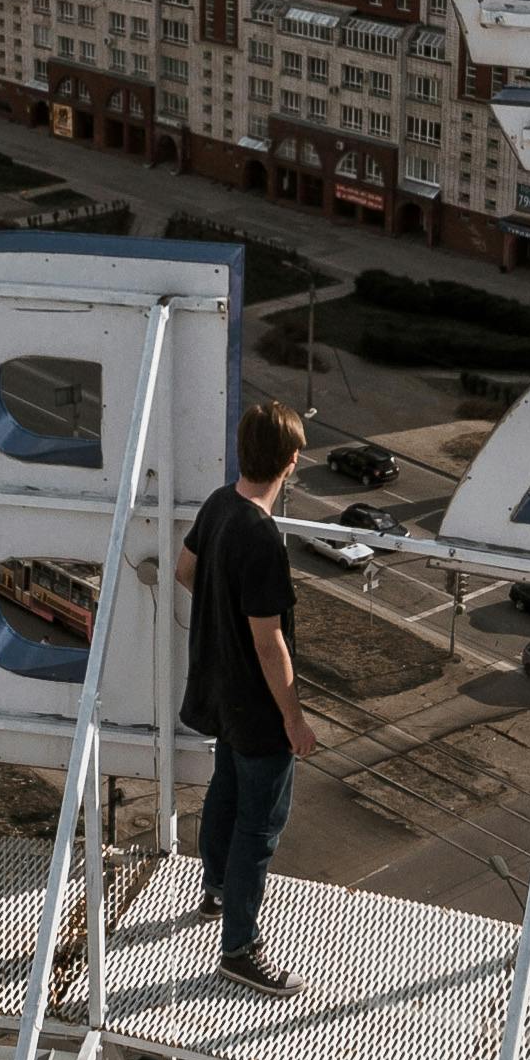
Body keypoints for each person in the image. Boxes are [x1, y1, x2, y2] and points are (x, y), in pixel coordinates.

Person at [179, 398, 315, 996]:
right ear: (288, 462)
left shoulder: (218, 505)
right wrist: (295, 719)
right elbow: (270, 644)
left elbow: (186, 570)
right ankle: (238, 948)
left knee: (224, 795)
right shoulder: (262, 537)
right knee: (259, 827)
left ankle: (212, 890)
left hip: (219, 690)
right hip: (257, 707)